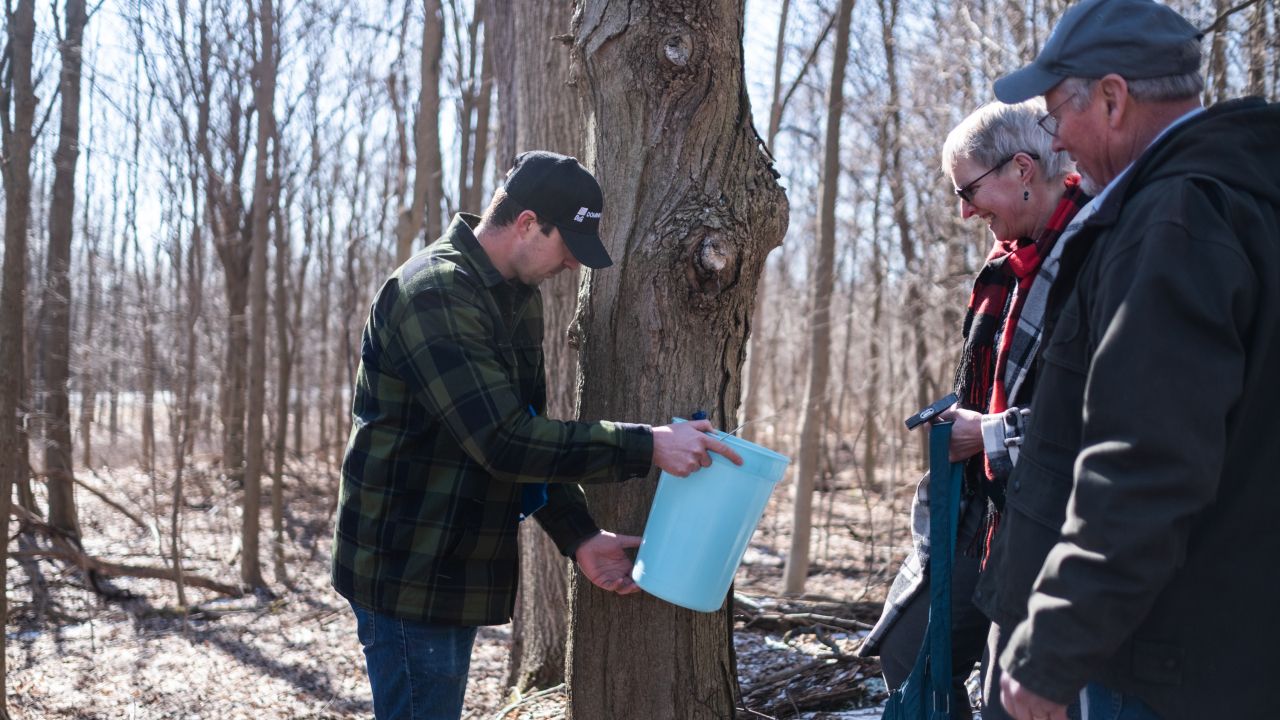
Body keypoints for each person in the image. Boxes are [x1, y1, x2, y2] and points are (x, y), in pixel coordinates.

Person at [331, 150, 743, 720]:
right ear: (526, 224)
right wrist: (647, 445)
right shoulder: (435, 293)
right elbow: (506, 442)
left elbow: (530, 435)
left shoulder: (513, 297)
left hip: (449, 565)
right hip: (406, 570)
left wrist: (578, 535)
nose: (573, 265)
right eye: (567, 248)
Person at [973, 1, 1280, 719]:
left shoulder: (1175, 219)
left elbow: (1143, 460)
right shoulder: (1242, 194)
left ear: (1112, 98)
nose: (1056, 142)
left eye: (1055, 115)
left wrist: (1056, 646)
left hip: (1163, 658)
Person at [859, 100, 1093, 719]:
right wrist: (960, 424)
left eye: (969, 190)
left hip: (1055, 525)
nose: (964, 212)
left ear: (1022, 168)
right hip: (981, 514)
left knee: (1008, 700)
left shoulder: (1098, 254)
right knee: (908, 647)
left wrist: (987, 436)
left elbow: (1104, 419)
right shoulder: (1002, 267)